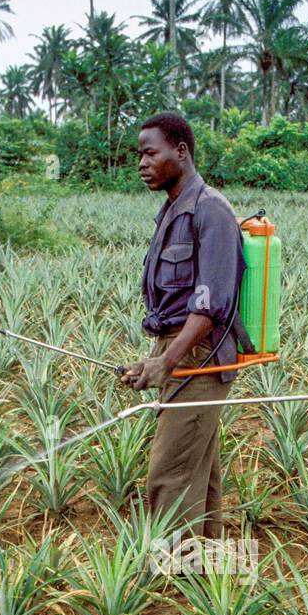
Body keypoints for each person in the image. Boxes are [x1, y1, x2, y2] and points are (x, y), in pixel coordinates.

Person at [120, 112, 246, 541]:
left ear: (181, 151)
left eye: (150, 152)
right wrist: (153, 361)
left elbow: (209, 308)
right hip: (180, 351)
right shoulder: (172, 211)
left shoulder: (210, 211)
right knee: (198, 468)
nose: (142, 162)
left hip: (201, 356)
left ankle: (173, 588)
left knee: (170, 472)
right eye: (139, 155)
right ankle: (206, 572)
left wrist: (166, 363)